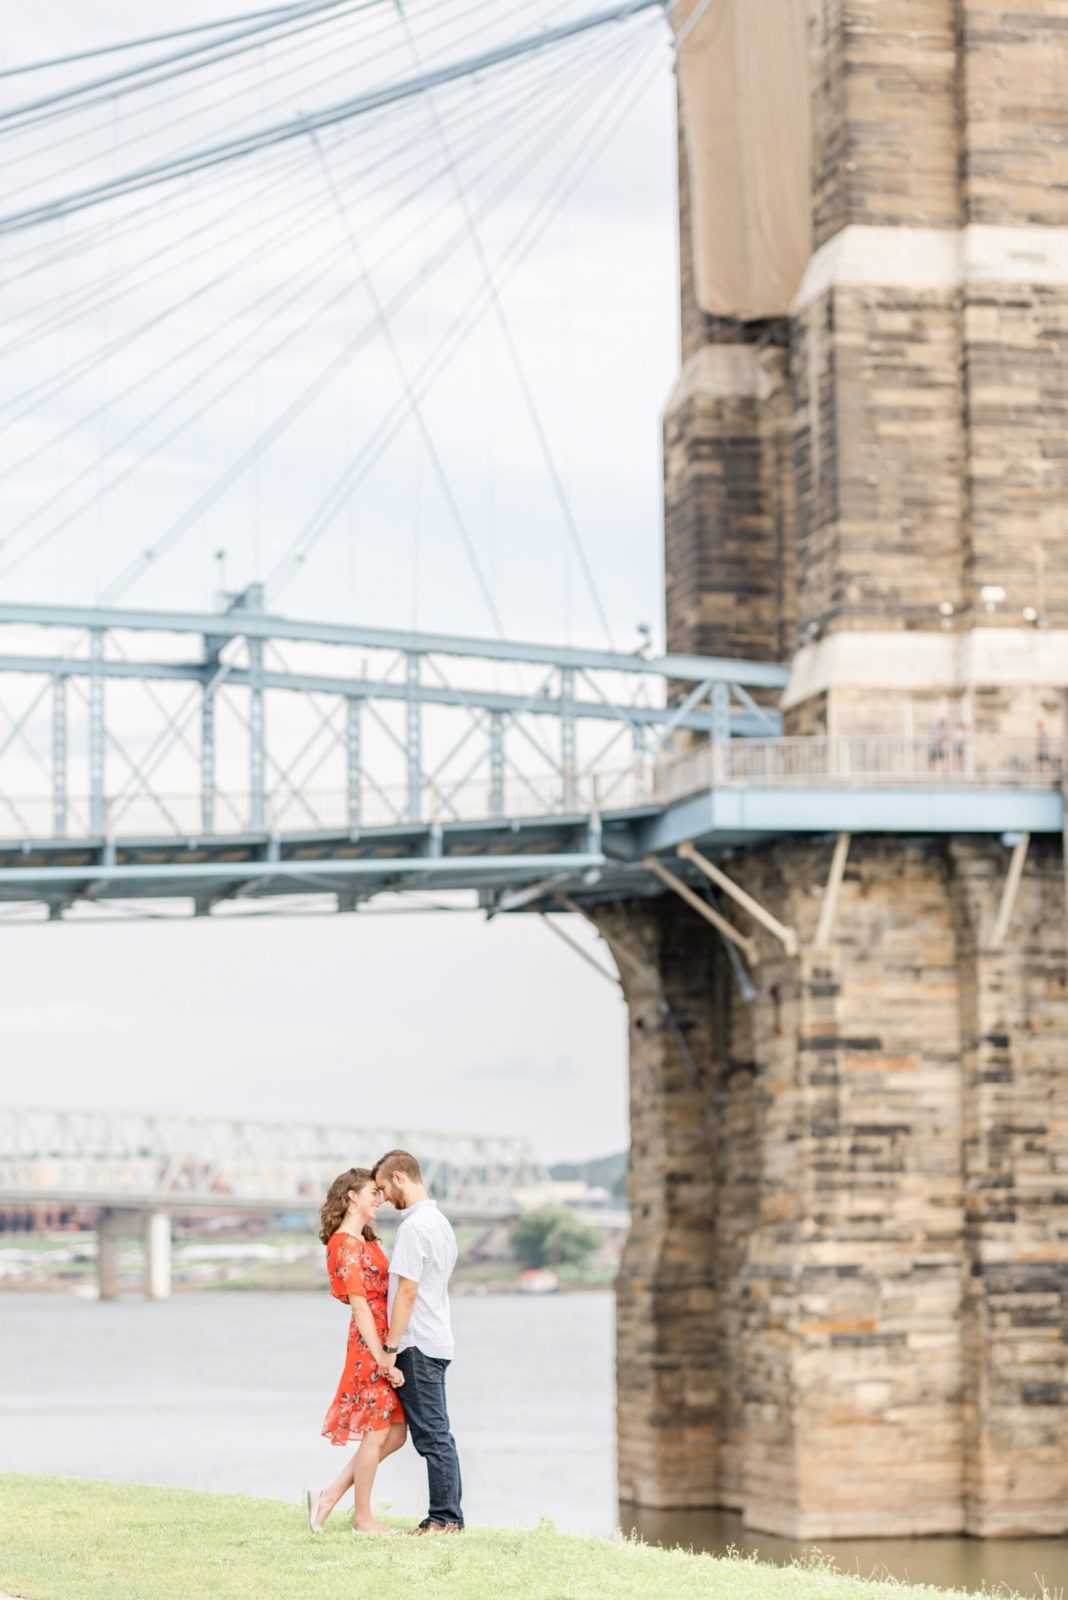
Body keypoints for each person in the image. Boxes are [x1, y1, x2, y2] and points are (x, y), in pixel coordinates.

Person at [305, 1168, 407, 1535]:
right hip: (370, 1342)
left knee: (395, 1433)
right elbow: (360, 1305)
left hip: (385, 1336)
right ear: (352, 1197)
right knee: (378, 1432)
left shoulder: (366, 1240)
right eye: (373, 1193)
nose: (379, 1200)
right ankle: (363, 1519)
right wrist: (382, 1354)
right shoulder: (343, 1244)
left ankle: (329, 1496)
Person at [373, 1149, 463, 1535]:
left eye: (382, 1187)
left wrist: (390, 1350)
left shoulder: (413, 1228)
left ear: (398, 1177)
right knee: (438, 1433)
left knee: (432, 1437)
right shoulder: (440, 1223)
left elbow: (407, 1291)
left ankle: (444, 1520)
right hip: (437, 1339)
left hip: (417, 1344)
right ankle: (447, 1517)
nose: (383, 1198)